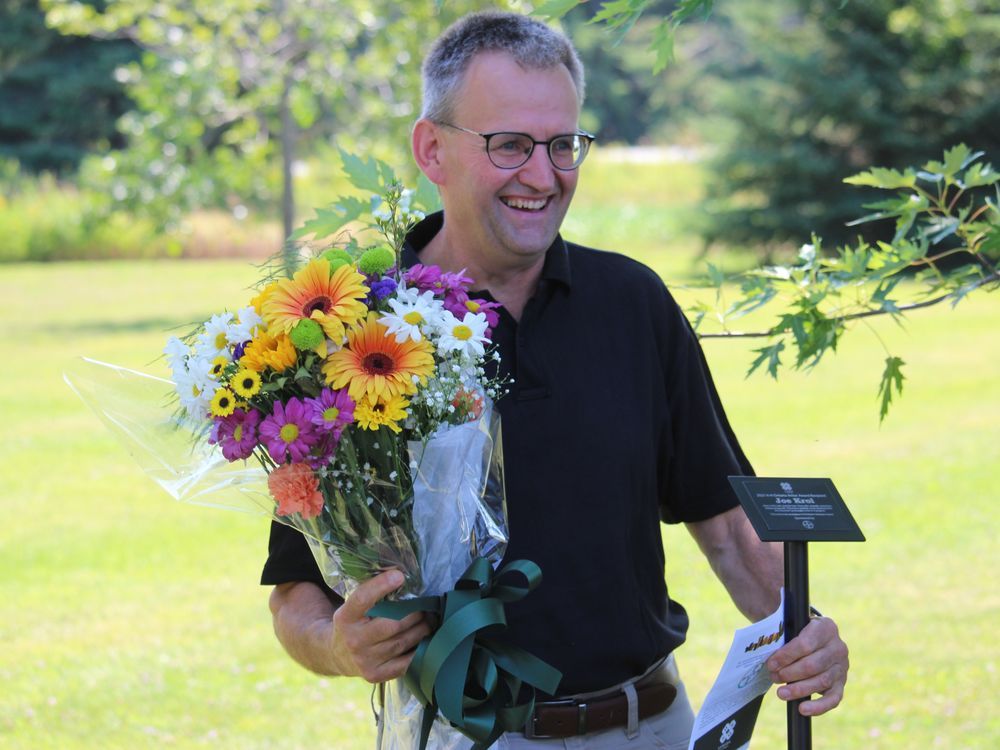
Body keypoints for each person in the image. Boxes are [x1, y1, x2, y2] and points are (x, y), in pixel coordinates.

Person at [262, 11, 849, 749]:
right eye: (510, 144)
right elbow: (297, 591)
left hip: (649, 726)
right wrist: (339, 645)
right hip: (462, 735)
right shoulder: (356, 335)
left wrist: (802, 630)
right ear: (432, 149)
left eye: (563, 144)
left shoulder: (633, 303)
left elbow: (728, 526)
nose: (543, 176)